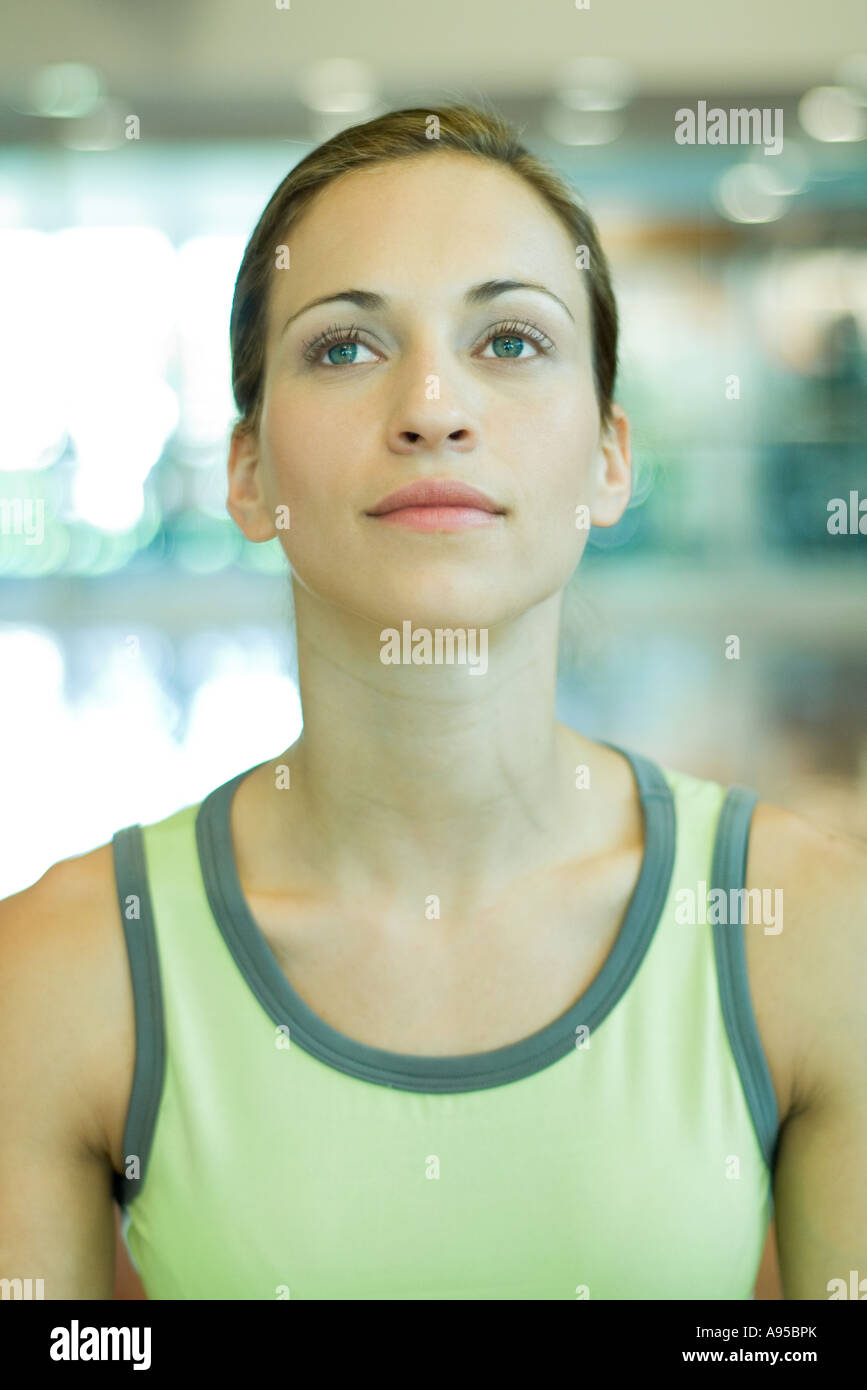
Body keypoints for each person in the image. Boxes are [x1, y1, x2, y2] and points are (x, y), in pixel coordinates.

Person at [1, 104, 865, 1302]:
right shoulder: (64, 967)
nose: (432, 407)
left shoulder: (806, 928)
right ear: (249, 474)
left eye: (510, 341)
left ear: (610, 459)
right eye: (346, 347)